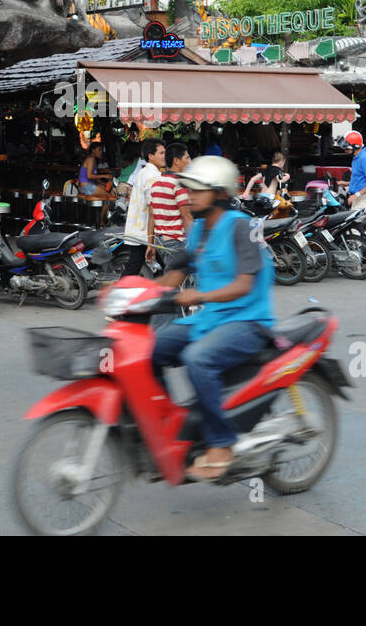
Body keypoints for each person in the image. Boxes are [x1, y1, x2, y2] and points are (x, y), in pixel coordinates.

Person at [153, 156, 274, 482]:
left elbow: (244, 284)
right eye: (188, 190)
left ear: (220, 193)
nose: (189, 196)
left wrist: (200, 296)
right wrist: (132, 294)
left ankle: (222, 442)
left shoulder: (243, 227)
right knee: (150, 348)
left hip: (248, 321)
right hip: (210, 319)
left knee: (198, 359)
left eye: (197, 190)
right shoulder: (198, 232)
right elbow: (172, 277)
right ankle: (171, 424)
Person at [121, 138, 165, 276]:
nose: (165, 156)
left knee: (158, 268)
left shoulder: (145, 172)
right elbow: (153, 208)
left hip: (144, 230)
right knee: (134, 267)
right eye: (162, 153)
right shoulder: (151, 176)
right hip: (145, 231)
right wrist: (150, 242)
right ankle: (118, 294)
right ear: (151, 156)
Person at [149, 143, 193, 265]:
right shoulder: (179, 184)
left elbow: (152, 215)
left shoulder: (157, 183)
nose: (190, 161)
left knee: (172, 277)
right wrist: (196, 241)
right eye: (187, 158)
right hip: (176, 241)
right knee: (181, 280)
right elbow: (186, 216)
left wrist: (150, 244)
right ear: (176, 161)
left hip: (160, 241)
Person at [344, 131, 366, 211]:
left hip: (364, 198)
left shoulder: (364, 158)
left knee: (356, 223)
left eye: (347, 148)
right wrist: (346, 183)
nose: (345, 150)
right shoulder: (357, 158)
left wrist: (356, 195)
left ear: (355, 147)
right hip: (359, 197)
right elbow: (362, 179)